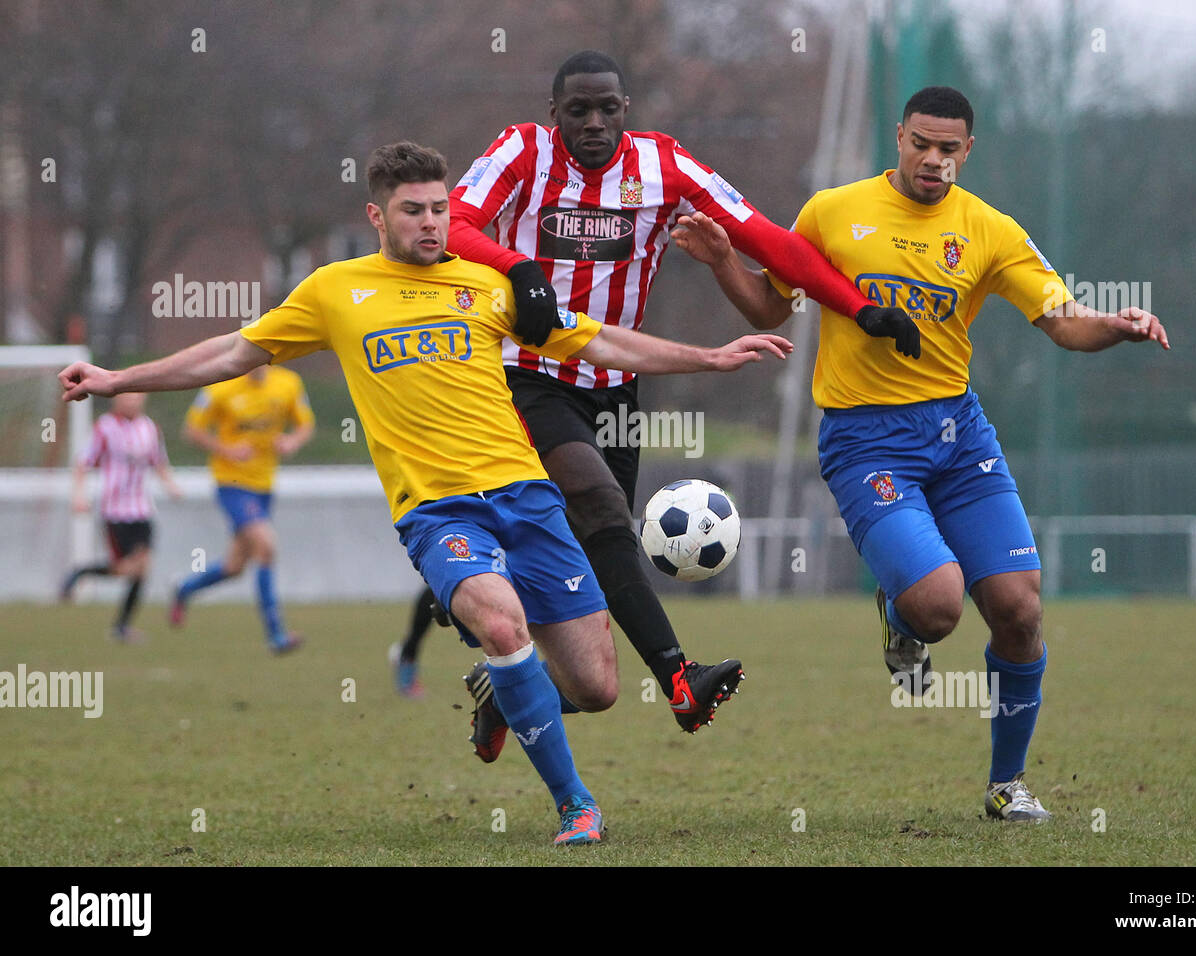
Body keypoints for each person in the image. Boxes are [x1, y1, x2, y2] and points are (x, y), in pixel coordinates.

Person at [57, 141, 792, 845]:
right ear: (377, 217)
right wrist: (120, 379)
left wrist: (710, 358)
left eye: (440, 208)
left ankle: (501, 694)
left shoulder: (488, 284)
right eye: (413, 210)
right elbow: (230, 352)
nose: (433, 222)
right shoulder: (335, 292)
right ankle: (576, 806)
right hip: (438, 512)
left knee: (598, 687)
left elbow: (599, 342)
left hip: (528, 499)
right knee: (504, 628)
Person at [670, 86, 1169, 822]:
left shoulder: (990, 229)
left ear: (968, 152)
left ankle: (1007, 786)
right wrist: (721, 261)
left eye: (949, 150)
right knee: (939, 609)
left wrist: (1116, 325)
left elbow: (1062, 323)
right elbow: (771, 308)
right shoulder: (833, 212)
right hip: (865, 439)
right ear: (899, 137)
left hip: (959, 437)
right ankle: (903, 615)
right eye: (921, 144)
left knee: (1019, 609)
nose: (933, 161)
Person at [395, 49, 893, 750]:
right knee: (596, 505)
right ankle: (679, 678)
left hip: (616, 385)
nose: (594, 123)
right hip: (522, 376)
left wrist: (860, 307)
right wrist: (521, 269)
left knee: (592, 580)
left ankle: (506, 689)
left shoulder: (663, 167)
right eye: (578, 110)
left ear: (626, 112)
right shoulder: (522, 150)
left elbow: (771, 242)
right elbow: (458, 227)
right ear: (553, 114)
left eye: (608, 109)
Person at [167, 364, 315, 654]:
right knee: (266, 547)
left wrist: (291, 441)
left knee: (234, 567)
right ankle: (276, 635)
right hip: (232, 484)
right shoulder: (220, 386)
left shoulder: (289, 383)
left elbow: (306, 424)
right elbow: (190, 430)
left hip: (264, 486)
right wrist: (225, 449)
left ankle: (184, 589)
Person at [60, 392, 182, 641]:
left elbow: (158, 462)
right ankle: (81, 573)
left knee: (142, 568)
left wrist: (171, 486)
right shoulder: (105, 427)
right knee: (126, 569)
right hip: (115, 511)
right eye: (127, 396)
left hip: (143, 509)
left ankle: (122, 627)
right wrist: (79, 496)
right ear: (116, 399)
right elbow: (83, 462)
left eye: (137, 396)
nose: (132, 401)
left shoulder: (149, 427)